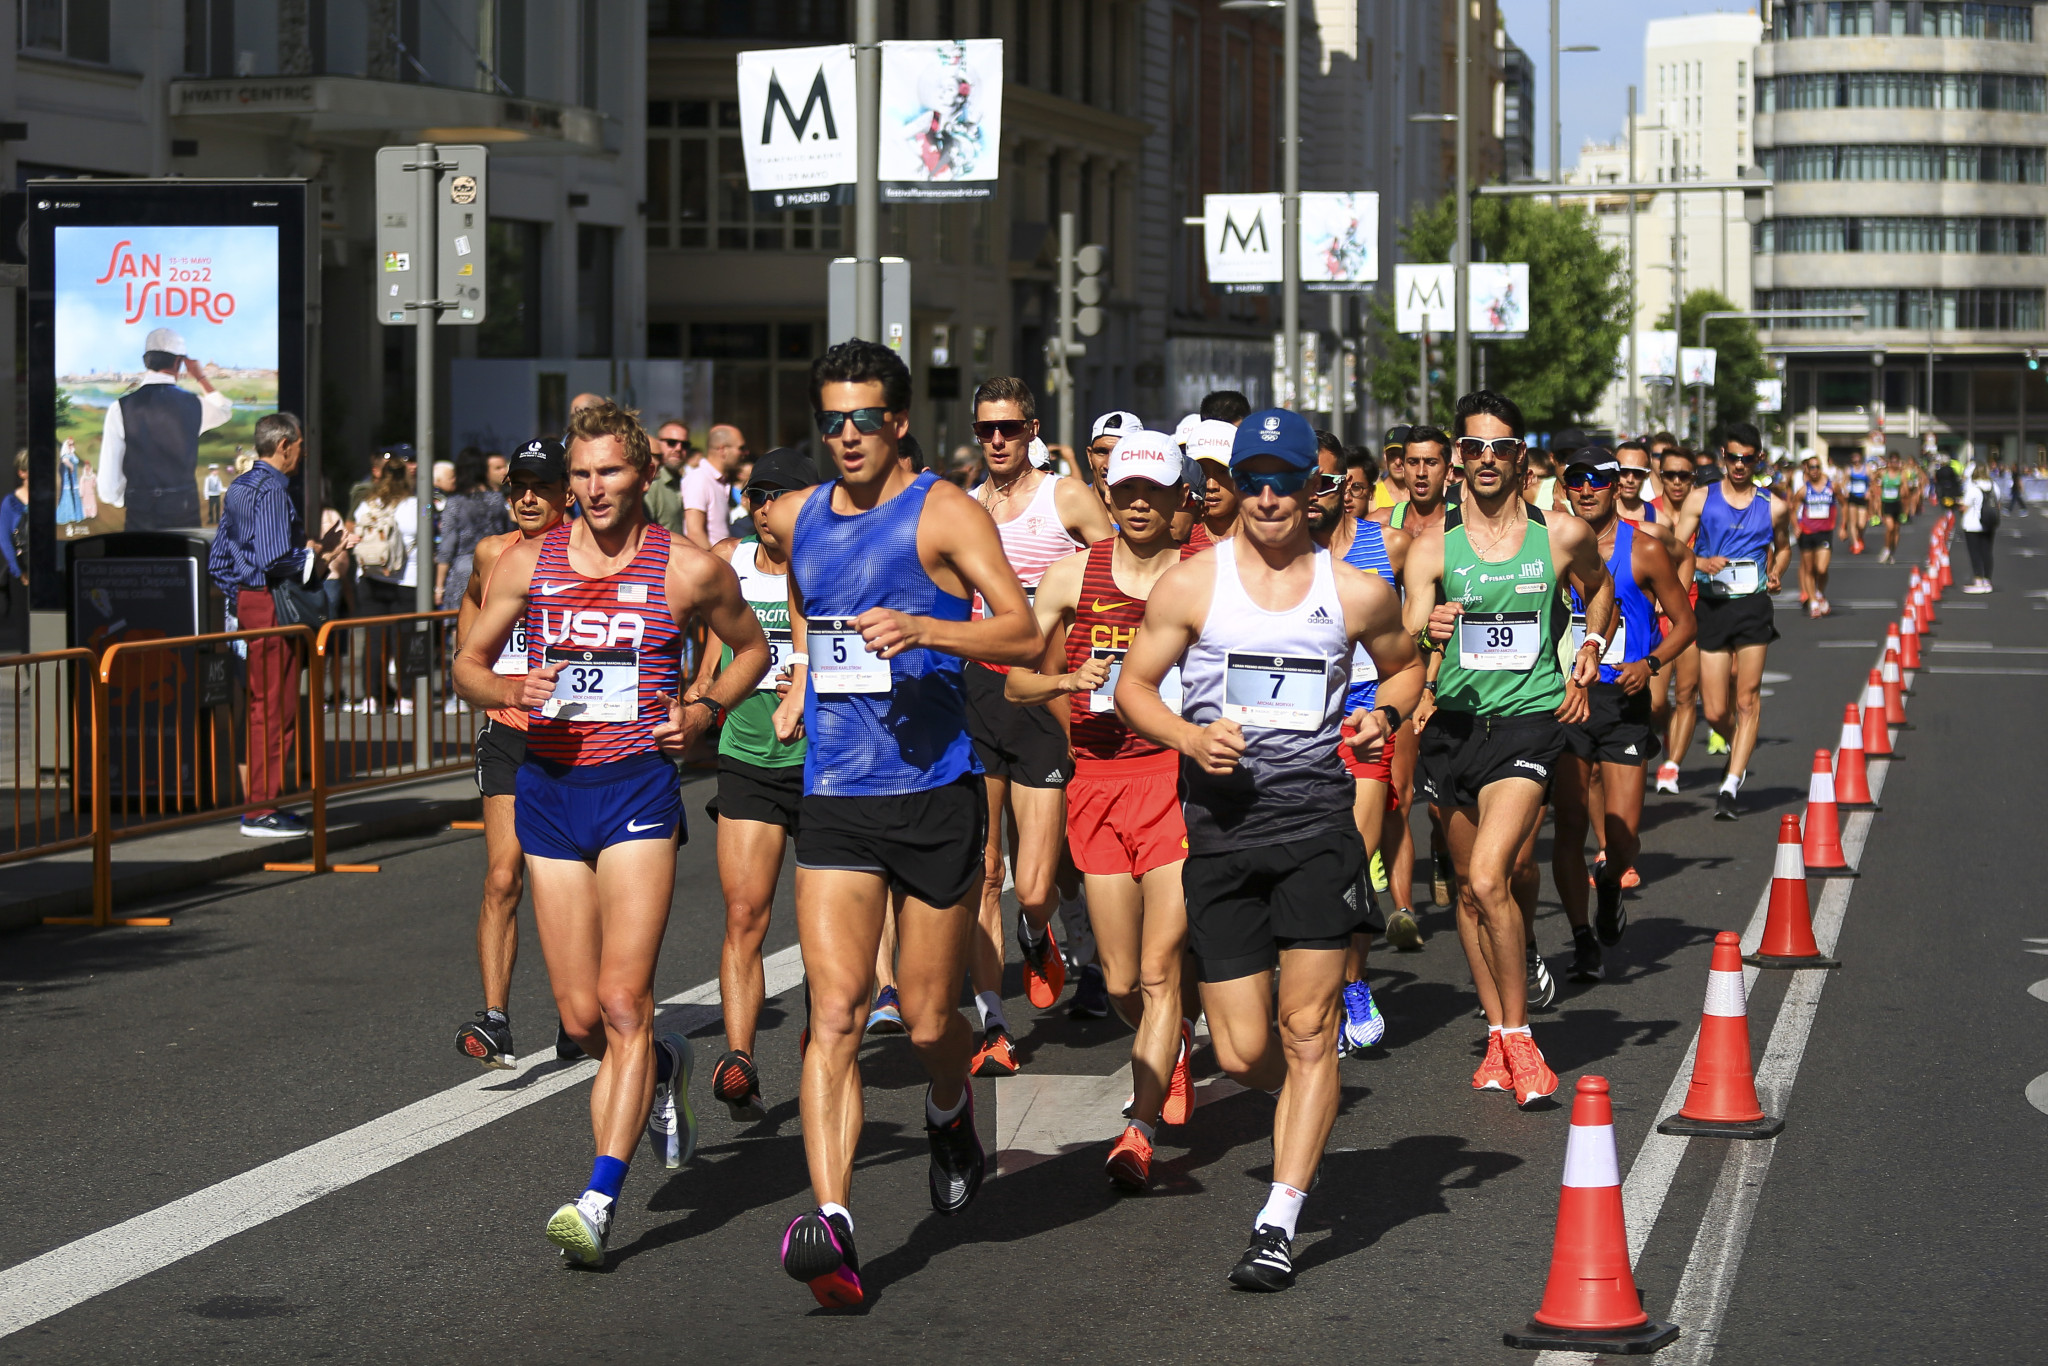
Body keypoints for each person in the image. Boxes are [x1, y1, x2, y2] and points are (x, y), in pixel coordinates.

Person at [455, 400, 771, 1267]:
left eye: (610, 472)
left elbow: (752, 650)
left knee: (626, 1003)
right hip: (549, 791)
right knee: (582, 1019)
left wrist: (704, 709)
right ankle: (663, 1067)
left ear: (645, 476)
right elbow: (467, 664)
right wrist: (508, 692)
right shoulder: (529, 561)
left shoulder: (690, 569)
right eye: (582, 474)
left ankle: (597, 1201)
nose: (594, 489)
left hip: (636, 791)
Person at [759, 339, 1040, 1309]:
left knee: (926, 1018)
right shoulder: (803, 518)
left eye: (864, 418)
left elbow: (1022, 630)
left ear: (899, 421)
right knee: (834, 1013)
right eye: (831, 420)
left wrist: (927, 628)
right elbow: (810, 610)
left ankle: (950, 1104)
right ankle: (834, 1224)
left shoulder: (943, 510)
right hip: (837, 794)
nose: (847, 435)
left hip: (933, 792)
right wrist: (800, 680)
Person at [1117, 408, 1423, 1291]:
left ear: (1312, 489)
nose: (1265, 497)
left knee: (1308, 1030)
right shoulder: (1193, 585)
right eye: (1250, 480)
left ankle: (1278, 1221)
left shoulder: (1354, 591)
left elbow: (1405, 665)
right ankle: (1301, 1111)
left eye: (1283, 481)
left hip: (1317, 830)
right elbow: (1134, 687)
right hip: (1221, 836)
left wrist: (1383, 713)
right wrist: (1188, 736)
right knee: (1247, 1050)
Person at [1403, 390, 1613, 1108]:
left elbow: (1601, 587)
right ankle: (1496, 1031)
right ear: (1458, 458)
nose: (1485, 458)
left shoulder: (1560, 534)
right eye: (1473, 447)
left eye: (1499, 447)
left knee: (1493, 876)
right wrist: (1426, 627)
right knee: (1467, 889)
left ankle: (1522, 1039)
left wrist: (1589, 644)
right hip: (1454, 728)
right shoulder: (1433, 545)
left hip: (1528, 725)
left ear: (1521, 456)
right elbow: (1404, 633)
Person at [1004, 429, 1199, 1189]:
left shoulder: (1203, 574)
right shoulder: (1070, 576)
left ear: (1178, 497)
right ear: (1108, 495)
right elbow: (1016, 682)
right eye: (1126, 491)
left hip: (1173, 779)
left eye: (1154, 492)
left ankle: (1139, 1131)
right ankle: (1169, 1043)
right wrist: (1069, 679)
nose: (1138, 504)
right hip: (1097, 783)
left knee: (1157, 968)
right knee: (1120, 982)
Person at [957, 376, 1113, 1076]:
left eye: (1009, 428)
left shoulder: (1065, 498)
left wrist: (1096, 659)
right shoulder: (964, 508)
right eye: (985, 429)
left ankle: (1038, 930)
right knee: (987, 871)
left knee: (1038, 882)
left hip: (1047, 697)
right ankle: (994, 1025)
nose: (996, 440)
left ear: (1032, 430)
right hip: (975, 693)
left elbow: (1116, 577)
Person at [683, 447, 822, 1120]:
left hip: (822, 765)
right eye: (757, 496)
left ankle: (826, 1043)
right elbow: (719, 652)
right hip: (746, 756)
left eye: (779, 496)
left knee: (823, 930)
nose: (766, 509)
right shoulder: (728, 561)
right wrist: (697, 698)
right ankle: (740, 1058)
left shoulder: (825, 564)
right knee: (744, 915)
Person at [451, 438, 574, 1069]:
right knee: (503, 876)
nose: (527, 498)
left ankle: (579, 1012)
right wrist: (479, 670)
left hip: (576, 736)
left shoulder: (588, 554)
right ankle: (495, 1018)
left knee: (568, 881)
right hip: (508, 730)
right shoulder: (492, 552)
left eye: (541, 487)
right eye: (518, 487)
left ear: (566, 494)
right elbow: (473, 610)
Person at [1551, 450, 1696, 983]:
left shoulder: (1646, 549)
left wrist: (1650, 664)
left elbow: (1685, 623)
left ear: (1617, 487)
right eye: (1576, 480)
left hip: (1621, 700)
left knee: (1624, 837)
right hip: (1565, 699)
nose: (1586, 489)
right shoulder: (1548, 546)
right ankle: (1581, 939)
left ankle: (1610, 882)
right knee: (1569, 825)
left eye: (1598, 480)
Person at [1318, 431, 1419, 1056]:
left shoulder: (1390, 546)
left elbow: (1418, 623)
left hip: (1364, 721)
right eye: (1306, 481)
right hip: (1297, 726)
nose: (1315, 493)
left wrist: (1411, 687)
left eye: (1329, 482)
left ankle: (1352, 983)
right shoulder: (1273, 555)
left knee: (1351, 858)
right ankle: (1318, 988)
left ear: (1347, 488)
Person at [206, 413, 323, 838]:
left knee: (264, 706)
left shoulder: (240, 485)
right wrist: (315, 555)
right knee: (276, 709)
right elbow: (275, 558)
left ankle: (263, 805)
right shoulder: (272, 488)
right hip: (271, 603)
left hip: (252, 601)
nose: (302, 454)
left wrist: (241, 596)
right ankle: (260, 809)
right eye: (299, 446)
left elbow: (219, 559)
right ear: (284, 445)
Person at [1671, 422, 1791, 821]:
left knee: (1747, 699)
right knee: (1715, 709)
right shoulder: (1700, 498)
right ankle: (1738, 743)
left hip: (1753, 607)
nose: (1739, 465)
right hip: (1712, 607)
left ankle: (1730, 784)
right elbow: (1675, 548)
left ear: (1759, 459)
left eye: (1747, 459)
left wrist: (1777, 572)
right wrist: (1701, 562)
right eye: (1733, 457)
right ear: (1724, 456)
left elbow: (1784, 548)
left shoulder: (1774, 506)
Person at [1373, 425, 1457, 910]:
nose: (1421, 472)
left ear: (1448, 469)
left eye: (1431, 462)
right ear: (1400, 467)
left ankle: (1443, 850)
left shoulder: (1466, 525)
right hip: (1402, 673)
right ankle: (1400, 907)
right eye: (1412, 462)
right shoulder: (1380, 524)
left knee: (1446, 799)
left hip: (1457, 671)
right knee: (1399, 791)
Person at [97, 327, 234, 531]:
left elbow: (108, 488)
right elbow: (224, 410)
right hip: (184, 518)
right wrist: (200, 377)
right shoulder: (195, 404)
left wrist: (137, 498)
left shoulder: (119, 408)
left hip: (139, 519)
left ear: (146, 360)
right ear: (180, 362)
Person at [349, 453, 421, 715]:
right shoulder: (416, 505)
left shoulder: (367, 505)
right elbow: (429, 528)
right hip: (407, 579)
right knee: (405, 641)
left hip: (370, 577)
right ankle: (405, 696)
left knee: (373, 640)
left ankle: (371, 696)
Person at [1650, 449, 1703, 795]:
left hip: (1693, 609)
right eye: (1671, 475)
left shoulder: (1703, 514)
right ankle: (1665, 728)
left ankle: (1671, 766)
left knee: (1686, 693)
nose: (1677, 482)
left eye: (1685, 476)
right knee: (1655, 703)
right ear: (1661, 475)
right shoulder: (1648, 512)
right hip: (1653, 614)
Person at [437, 447, 513, 611]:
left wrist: (439, 585)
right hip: (494, 567)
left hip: (463, 570)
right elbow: (507, 533)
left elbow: (447, 546)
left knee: (461, 619)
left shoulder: (455, 502)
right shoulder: (496, 499)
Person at [1793, 451, 1844, 618]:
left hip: (1824, 533)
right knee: (1809, 569)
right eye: (1811, 468)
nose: (1814, 470)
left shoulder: (1832, 486)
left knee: (1821, 569)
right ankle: (1814, 602)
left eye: (1817, 467)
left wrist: (1843, 526)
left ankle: (1819, 593)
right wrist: (1796, 526)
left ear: (1821, 468)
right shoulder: (1803, 490)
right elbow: (1793, 509)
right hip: (1807, 532)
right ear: (1807, 470)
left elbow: (1844, 503)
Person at [682, 424, 749, 550]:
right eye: (741, 448)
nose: (745, 453)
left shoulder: (720, 481)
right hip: (709, 560)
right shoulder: (699, 478)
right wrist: (715, 560)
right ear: (723, 450)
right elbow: (694, 533)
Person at [1186, 419, 1241, 547]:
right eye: (1201, 471)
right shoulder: (1176, 540)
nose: (1211, 486)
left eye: (1223, 471)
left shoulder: (1266, 539)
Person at [645, 420, 692, 537]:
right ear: (658, 443)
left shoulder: (686, 481)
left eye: (685, 445)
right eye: (672, 443)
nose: (678, 448)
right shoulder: (651, 482)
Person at [1960, 459, 1999, 593]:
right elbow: (1998, 503)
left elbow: (1965, 506)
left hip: (1972, 525)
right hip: (1989, 523)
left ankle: (1978, 580)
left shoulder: (1973, 487)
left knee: (1975, 553)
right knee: (1987, 552)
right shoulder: (1994, 486)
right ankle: (1987, 580)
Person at [1877, 451, 1907, 562]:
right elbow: (1873, 481)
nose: (1894, 464)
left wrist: (1904, 493)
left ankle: (1891, 552)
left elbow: (1905, 491)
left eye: (1896, 462)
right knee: (1890, 527)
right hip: (1886, 503)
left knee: (1896, 530)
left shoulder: (1901, 475)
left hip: (1897, 504)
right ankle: (1886, 548)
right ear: (1889, 462)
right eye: (1892, 461)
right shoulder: (1883, 473)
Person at [1844, 443, 1874, 553]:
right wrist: (1846, 491)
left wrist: (1869, 491)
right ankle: (1855, 543)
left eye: (1857, 457)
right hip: (1853, 497)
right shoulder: (1849, 470)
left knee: (1861, 524)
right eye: (1854, 458)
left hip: (1862, 497)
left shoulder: (1867, 469)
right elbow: (1844, 483)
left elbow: (1872, 482)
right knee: (1853, 522)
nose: (1856, 460)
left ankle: (1859, 536)